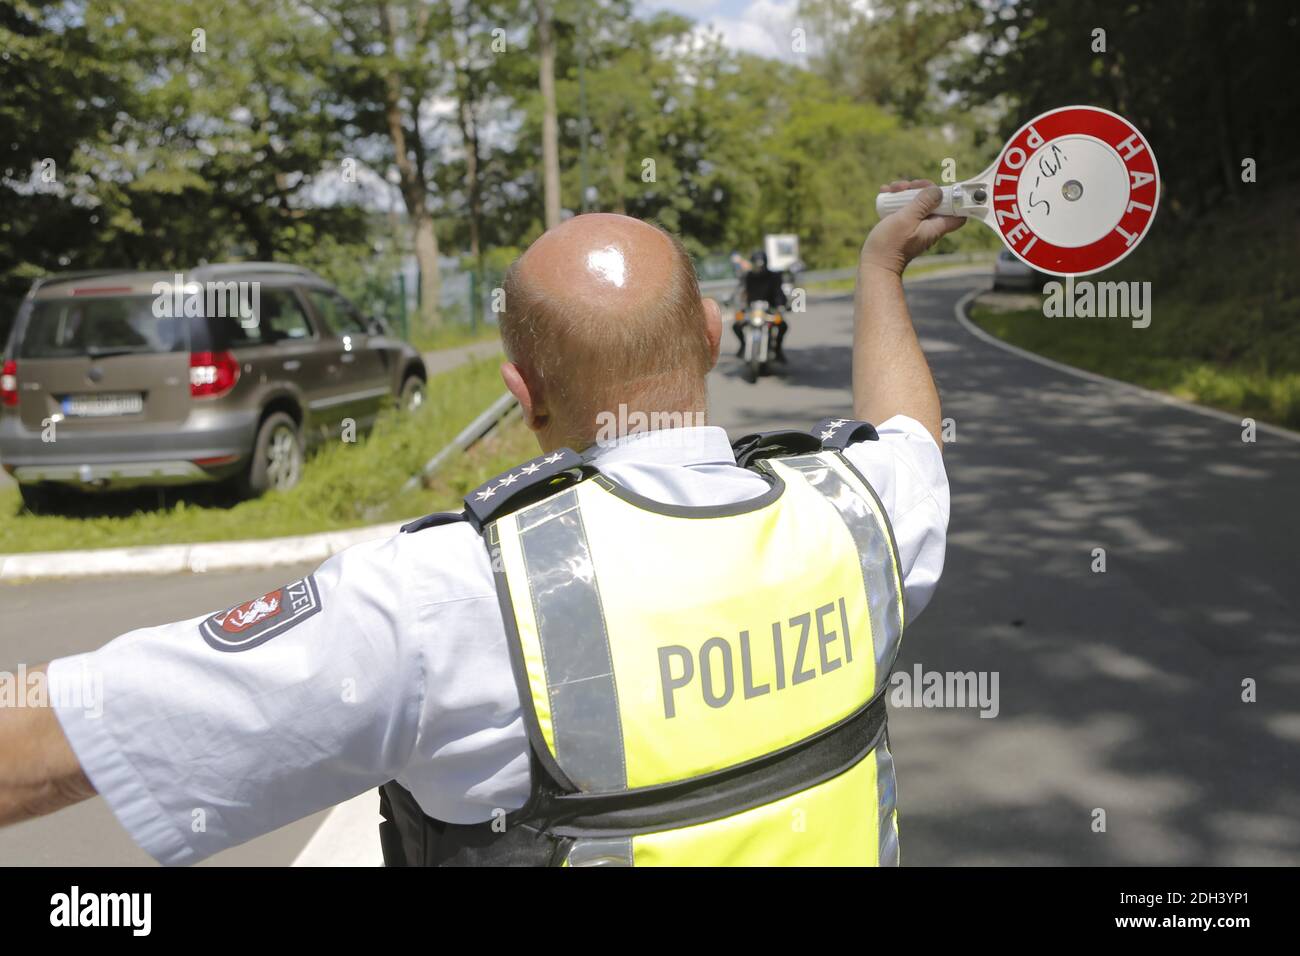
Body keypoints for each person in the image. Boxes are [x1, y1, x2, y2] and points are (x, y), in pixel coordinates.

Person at [0, 181, 963, 866]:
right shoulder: (858, 514)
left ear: (521, 394)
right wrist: (883, 270)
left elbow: (57, 741)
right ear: (712, 337)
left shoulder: (445, 598)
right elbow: (911, 433)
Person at [732, 248, 790, 359]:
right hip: (752, 310)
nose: (759, 268)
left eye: (761, 265)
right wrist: (737, 304)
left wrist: (781, 305)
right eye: (756, 265)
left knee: (783, 326)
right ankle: (743, 345)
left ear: (765, 263)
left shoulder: (774, 277)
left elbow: (779, 293)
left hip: (770, 310)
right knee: (736, 325)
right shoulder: (747, 277)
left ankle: (778, 350)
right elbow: (739, 292)